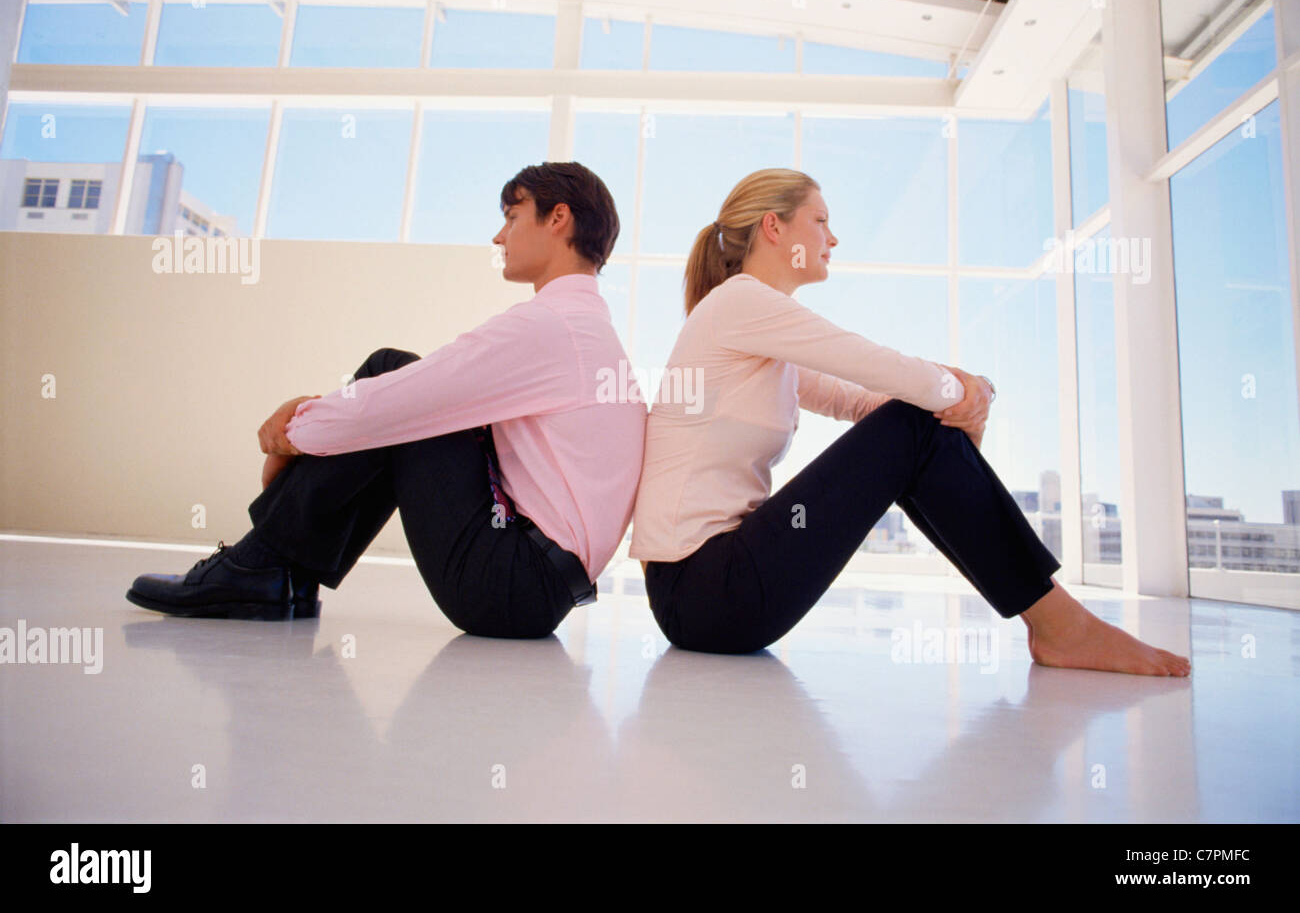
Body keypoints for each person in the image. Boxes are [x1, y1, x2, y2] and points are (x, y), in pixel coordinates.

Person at [629, 167, 1191, 676]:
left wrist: (963, 401)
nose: (833, 237)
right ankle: (1060, 624)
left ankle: (1056, 623)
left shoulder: (764, 337)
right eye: (820, 221)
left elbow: (866, 403)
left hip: (715, 594)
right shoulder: (741, 303)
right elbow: (879, 366)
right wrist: (965, 391)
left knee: (915, 424)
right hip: (703, 591)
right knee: (914, 421)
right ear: (774, 229)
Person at [127, 161, 647, 638]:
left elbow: (405, 398)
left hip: (509, 586)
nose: (498, 234)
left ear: (558, 218)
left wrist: (292, 434)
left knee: (392, 372)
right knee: (406, 395)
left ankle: (259, 565)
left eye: (512, 216)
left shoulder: (550, 328)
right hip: (535, 587)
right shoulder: (587, 331)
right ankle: (285, 574)